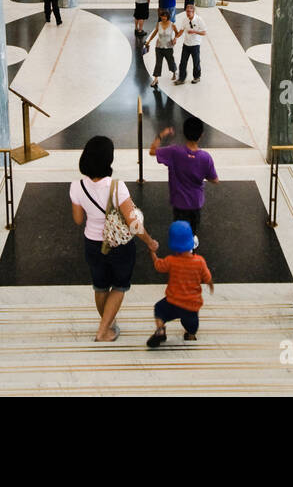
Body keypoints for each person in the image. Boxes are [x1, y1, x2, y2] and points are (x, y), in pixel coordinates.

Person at [68, 136, 158, 342]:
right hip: (119, 246)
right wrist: (150, 242)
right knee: (119, 286)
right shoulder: (117, 187)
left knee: (100, 286)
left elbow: (78, 219)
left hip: (92, 244)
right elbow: (134, 224)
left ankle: (108, 324)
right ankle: (102, 330)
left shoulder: (76, 186)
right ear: (108, 160)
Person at [146, 221, 214, 347]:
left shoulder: (171, 261)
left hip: (172, 301)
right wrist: (210, 285)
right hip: (191, 306)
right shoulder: (200, 262)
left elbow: (158, 265)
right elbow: (207, 277)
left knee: (159, 309)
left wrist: (152, 253)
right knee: (192, 326)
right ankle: (191, 337)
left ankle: (160, 330)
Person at [150, 116, 219, 234]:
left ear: (184, 132)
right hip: (196, 202)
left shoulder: (174, 152)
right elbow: (215, 180)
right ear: (201, 134)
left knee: (179, 233)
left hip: (178, 202)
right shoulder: (205, 157)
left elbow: (152, 151)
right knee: (193, 233)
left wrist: (162, 134)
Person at [144, 9, 180, 88]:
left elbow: (177, 34)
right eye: (162, 16)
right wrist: (149, 40)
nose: (163, 18)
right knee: (158, 63)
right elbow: (155, 32)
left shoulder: (172, 25)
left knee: (170, 61)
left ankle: (174, 72)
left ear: (168, 17)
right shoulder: (159, 24)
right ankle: (156, 79)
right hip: (159, 47)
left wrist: (175, 39)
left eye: (165, 16)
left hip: (168, 47)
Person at [173, 1, 207, 85]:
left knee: (196, 62)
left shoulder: (199, 20)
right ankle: (181, 78)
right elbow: (181, 30)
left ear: (193, 11)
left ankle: (196, 77)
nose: (187, 13)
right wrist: (175, 38)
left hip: (195, 45)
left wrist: (194, 31)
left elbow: (204, 32)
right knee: (183, 62)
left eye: (189, 12)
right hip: (186, 44)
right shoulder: (185, 20)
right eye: (186, 11)